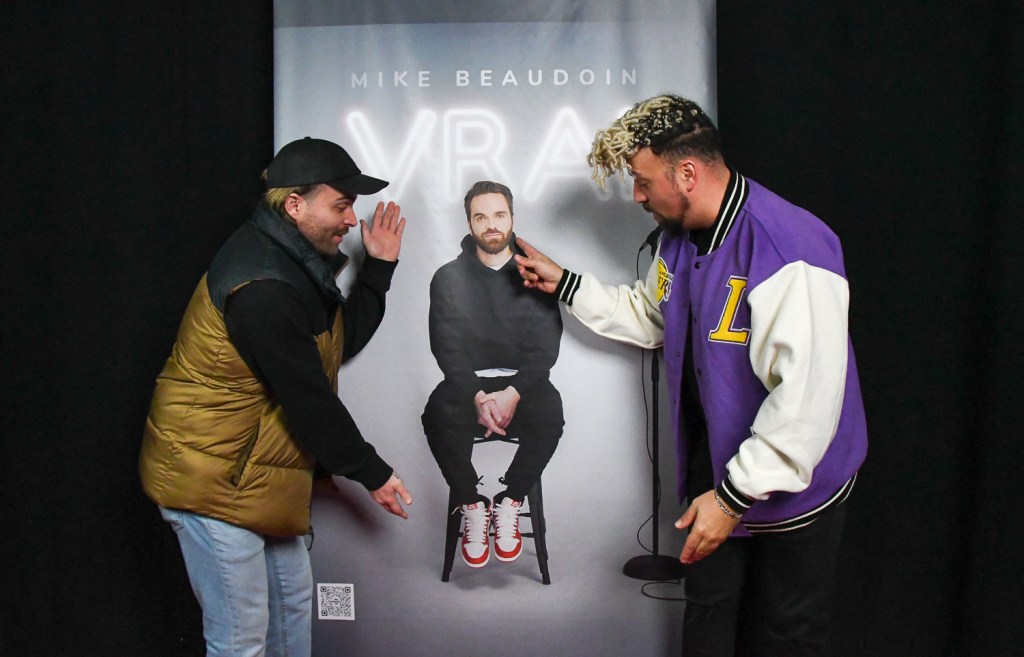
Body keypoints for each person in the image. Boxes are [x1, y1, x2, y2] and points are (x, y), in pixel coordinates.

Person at [515, 95, 867, 656]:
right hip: (720, 465)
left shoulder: (789, 246)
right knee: (706, 610)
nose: (635, 196)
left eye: (641, 180)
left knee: (787, 632)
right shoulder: (678, 241)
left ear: (686, 172)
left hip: (801, 479)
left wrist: (730, 501)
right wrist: (564, 283)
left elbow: (807, 404)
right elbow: (651, 315)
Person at [139, 137, 413, 657]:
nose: (352, 221)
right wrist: (371, 472)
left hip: (260, 477)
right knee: (241, 641)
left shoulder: (298, 263)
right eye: (341, 205)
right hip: (214, 481)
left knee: (290, 625)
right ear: (294, 205)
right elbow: (307, 395)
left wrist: (377, 270)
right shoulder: (262, 281)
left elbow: (337, 345)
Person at [422, 181, 564, 568]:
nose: (491, 225)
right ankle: (471, 503)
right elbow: (445, 346)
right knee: (435, 412)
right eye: (481, 217)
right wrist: (477, 396)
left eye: (499, 215)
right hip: (467, 383)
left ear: (512, 219)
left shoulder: (535, 272)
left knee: (551, 412)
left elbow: (546, 348)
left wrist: (512, 392)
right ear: (469, 225)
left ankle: (509, 501)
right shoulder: (448, 277)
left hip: (523, 383)